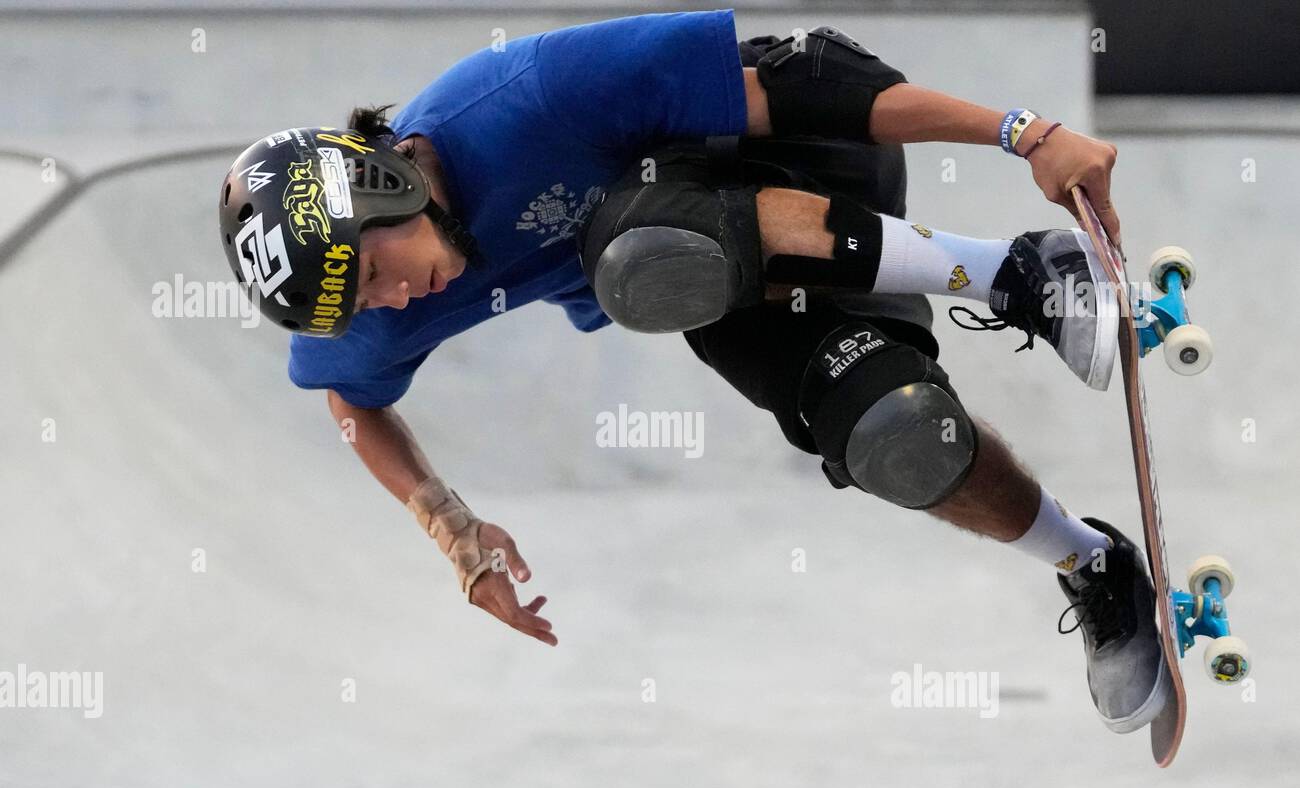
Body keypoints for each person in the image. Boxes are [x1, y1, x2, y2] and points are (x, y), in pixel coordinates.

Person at [217, 11, 1166, 736]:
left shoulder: (526, 94)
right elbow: (353, 395)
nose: (388, 301)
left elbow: (801, 92)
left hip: (804, 150)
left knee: (634, 248)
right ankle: (1093, 561)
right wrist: (449, 525)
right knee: (901, 438)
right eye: (364, 302)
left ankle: (1019, 273)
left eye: (375, 274)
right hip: (738, 279)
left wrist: (1028, 135)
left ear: (386, 187)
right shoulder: (375, 311)